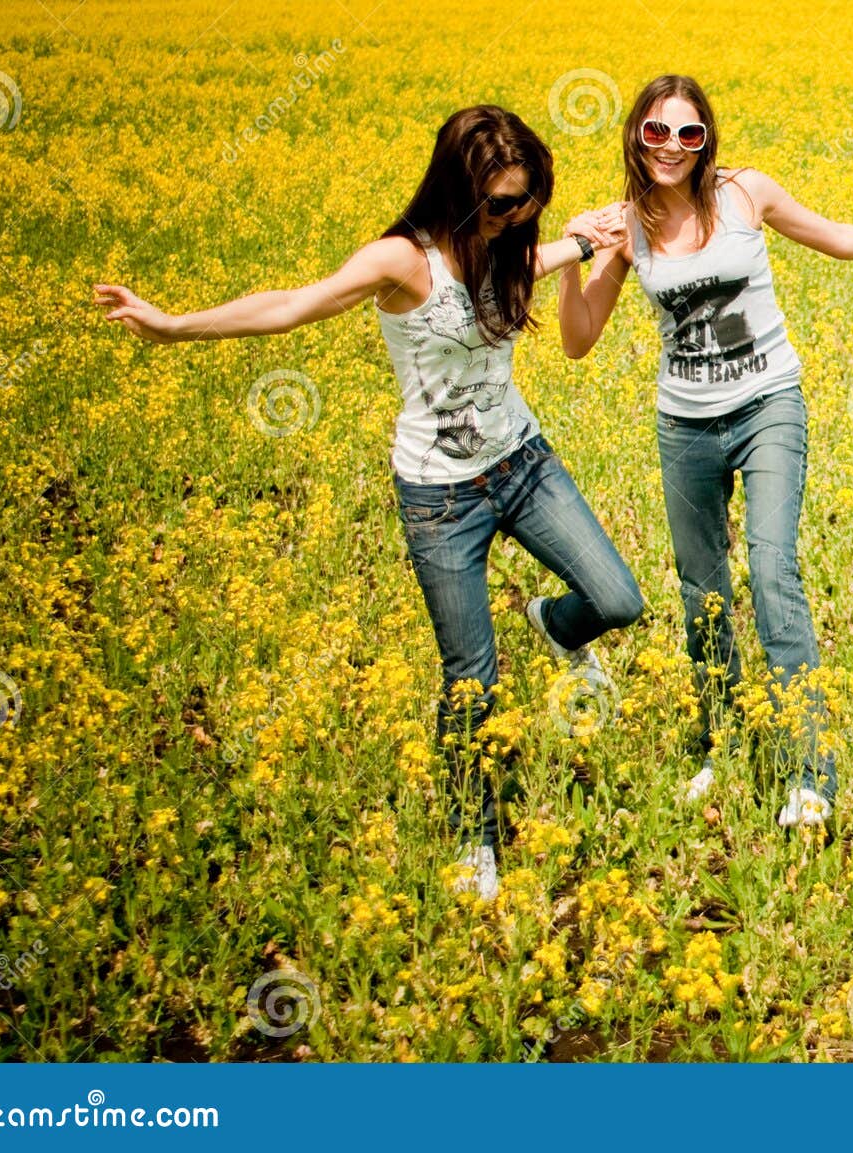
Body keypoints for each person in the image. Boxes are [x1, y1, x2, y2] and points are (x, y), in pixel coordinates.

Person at [95, 105, 644, 899]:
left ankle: (555, 625)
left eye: (529, 199)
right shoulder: (401, 260)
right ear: (459, 191)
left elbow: (546, 252)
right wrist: (175, 325)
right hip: (440, 496)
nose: (517, 215)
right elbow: (292, 305)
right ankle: (474, 837)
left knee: (618, 599)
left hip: (522, 462)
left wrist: (588, 242)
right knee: (472, 676)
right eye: (501, 201)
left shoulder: (507, 242)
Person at [556, 75, 853, 828]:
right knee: (703, 592)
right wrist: (573, 256)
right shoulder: (627, 226)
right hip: (685, 426)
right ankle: (716, 746)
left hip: (768, 406)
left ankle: (811, 775)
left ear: (706, 140)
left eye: (689, 134)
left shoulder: (745, 193)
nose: (672, 147)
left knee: (774, 572)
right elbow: (579, 339)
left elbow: (834, 236)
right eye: (657, 132)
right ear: (636, 136)